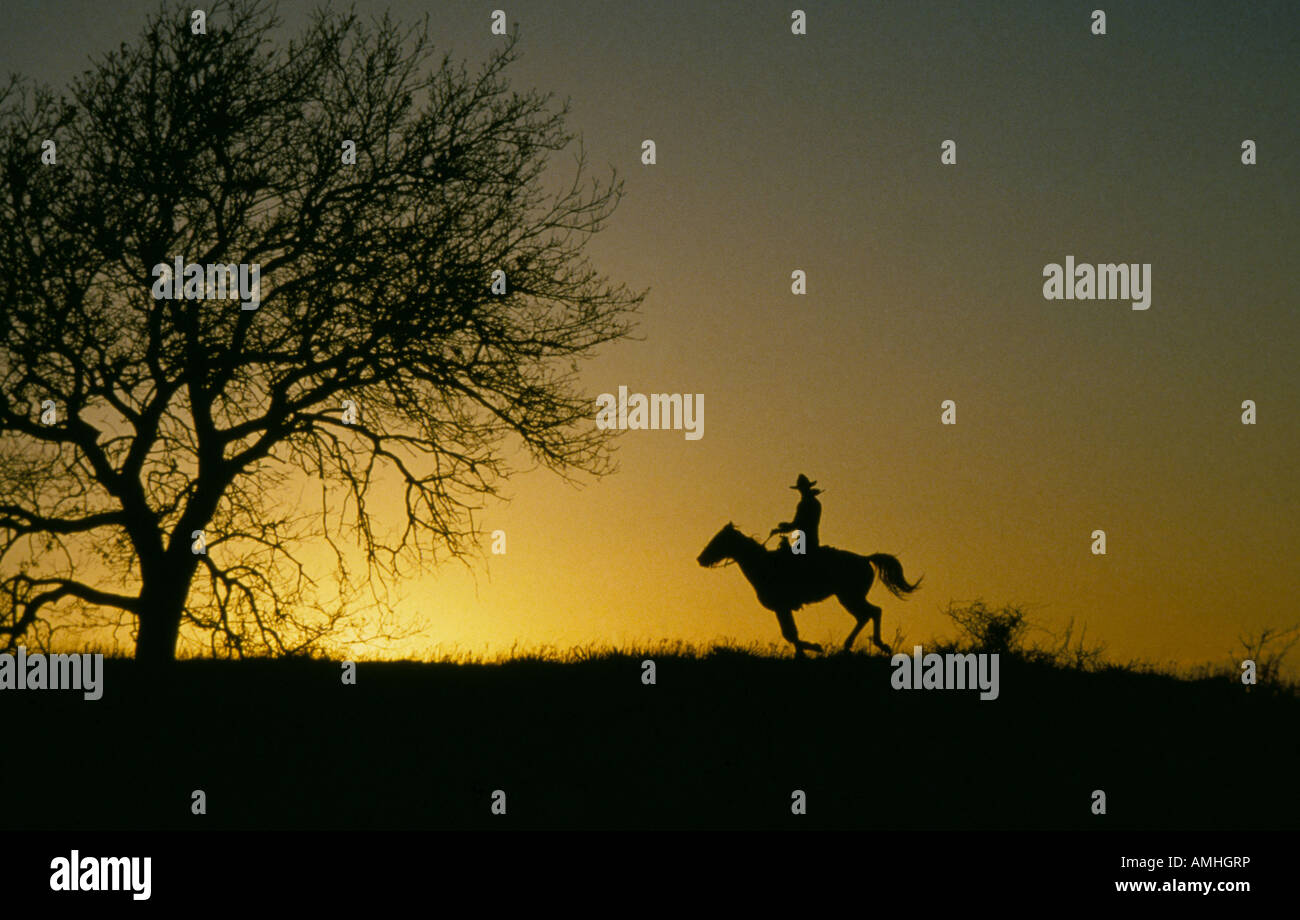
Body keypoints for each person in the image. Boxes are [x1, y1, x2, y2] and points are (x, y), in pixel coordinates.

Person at [770, 474, 822, 552]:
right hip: (812, 541)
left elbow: (797, 524)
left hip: (804, 543)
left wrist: (779, 530)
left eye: (801, 488)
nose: (800, 491)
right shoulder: (815, 502)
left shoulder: (805, 504)